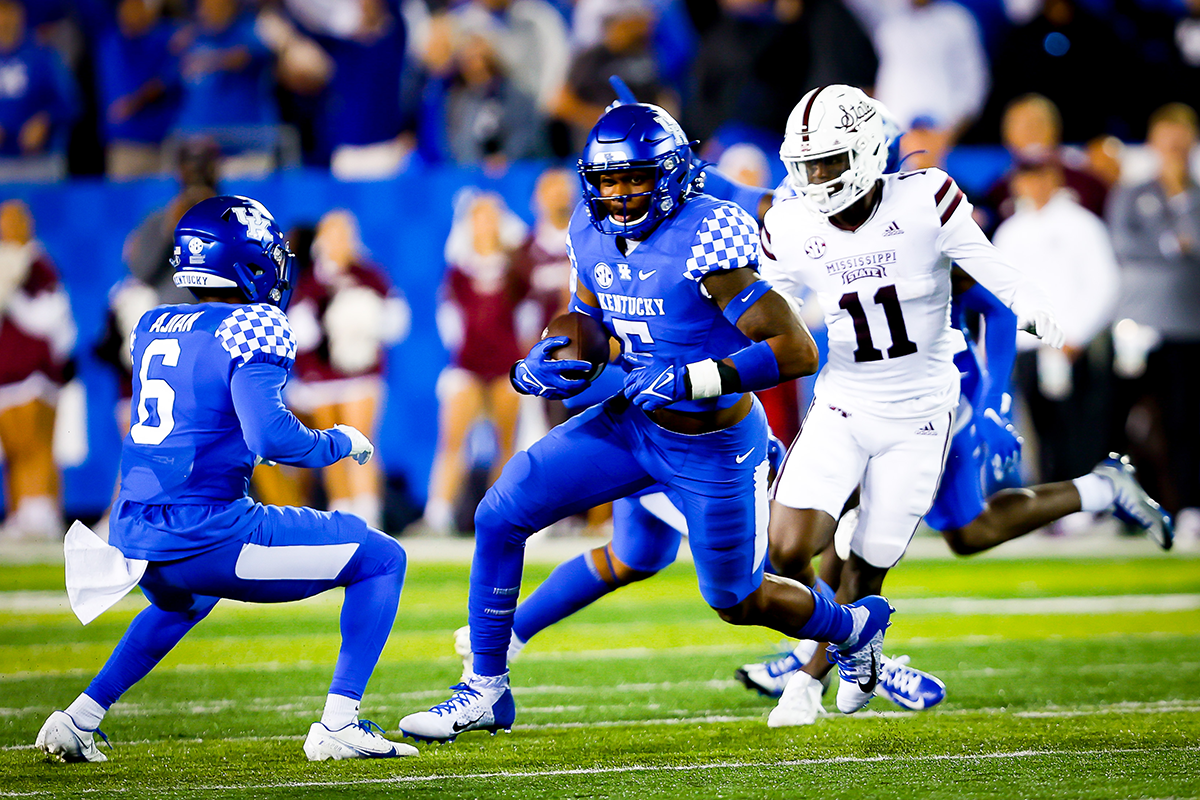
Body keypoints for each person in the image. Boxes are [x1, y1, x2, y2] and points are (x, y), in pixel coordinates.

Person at [397, 102, 894, 742]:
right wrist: (551, 357)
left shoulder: (709, 234)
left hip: (710, 443)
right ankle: (486, 688)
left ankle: (853, 630)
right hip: (631, 420)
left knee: (736, 600)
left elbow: (796, 350)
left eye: (634, 178)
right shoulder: (588, 226)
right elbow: (589, 318)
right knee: (499, 514)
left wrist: (698, 377)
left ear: (673, 173)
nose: (621, 194)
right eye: (607, 181)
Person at [34, 196, 415, 763]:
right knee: (383, 559)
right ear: (242, 259)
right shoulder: (251, 325)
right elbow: (272, 439)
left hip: (138, 529)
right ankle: (339, 723)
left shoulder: (154, 322)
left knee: (184, 602)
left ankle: (79, 718)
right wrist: (340, 441)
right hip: (205, 531)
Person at [749, 84, 1065, 726]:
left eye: (829, 161)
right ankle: (853, 643)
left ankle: (812, 678)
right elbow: (759, 307)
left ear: (865, 153)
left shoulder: (926, 199)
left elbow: (984, 263)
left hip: (921, 410)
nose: (815, 177)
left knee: (866, 567)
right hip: (843, 399)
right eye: (805, 164)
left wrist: (1027, 298)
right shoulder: (790, 222)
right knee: (784, 551)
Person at [286, 209, 409, 529]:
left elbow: (396, 322)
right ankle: (343, 516)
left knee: (362, 441)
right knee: (329, 449)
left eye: (345, 234)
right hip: (320, 377)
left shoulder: (369, 275)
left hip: (361, 375)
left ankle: (369, 515)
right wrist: (328, 325)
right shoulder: (311, 280)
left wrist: (364, 324)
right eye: (332, 234)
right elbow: (299, 331)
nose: (339, 242)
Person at [425, 190, 529, 534]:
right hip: (467, 367)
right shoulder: (457, 273)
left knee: (507, 443)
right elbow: (449, 323)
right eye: (478, 217)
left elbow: (526, 319)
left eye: (491, 216)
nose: (484, 224)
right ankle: (436, 517)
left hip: (506, 366)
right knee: (452, 440)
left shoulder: (516, 270)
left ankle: (500, 515)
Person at [0, 200, 75, 540]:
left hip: (34, 371)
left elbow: (52, 317)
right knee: (13, 448)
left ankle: (42, 510)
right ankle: (20, 511)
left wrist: (12, 295)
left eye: (15, 221)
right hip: (5, 374)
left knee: (37, 444)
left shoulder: (37, 264)